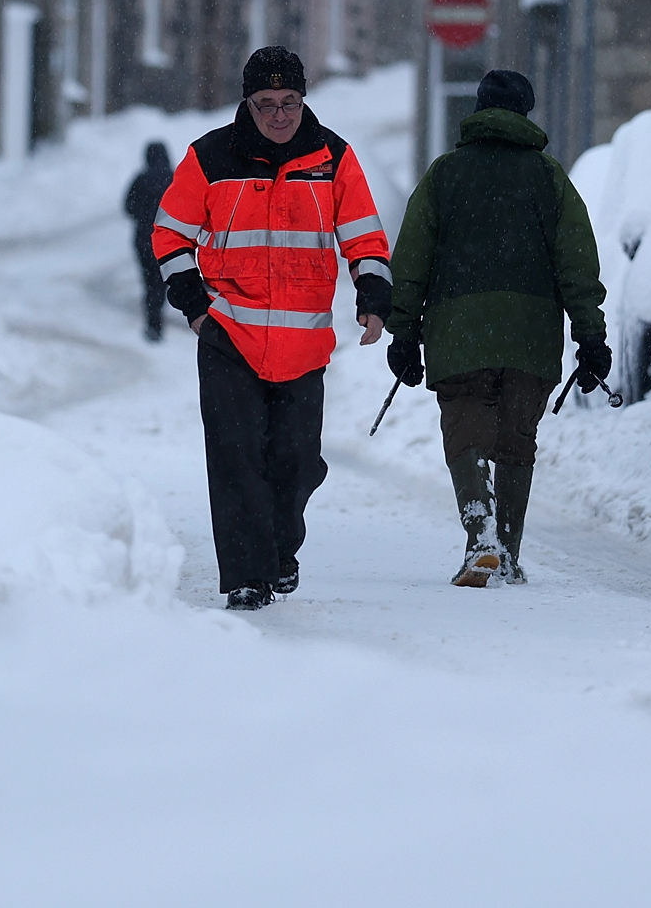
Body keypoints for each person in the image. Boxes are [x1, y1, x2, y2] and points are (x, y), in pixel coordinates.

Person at [149, 47, 391, 610]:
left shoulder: (333, 158)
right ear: (248, 104)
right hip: (229, 336)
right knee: (236, 460)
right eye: (266, 105)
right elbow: (170, 234)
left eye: (289, 103)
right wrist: (194, 304)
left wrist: (374, 296)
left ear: (304, 99)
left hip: (304, 345)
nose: (279, 116)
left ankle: (280, 551)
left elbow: (365, 239)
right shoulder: (210, 158)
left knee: (295, 463)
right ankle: (245, 577)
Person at [384, 68, 608, 588]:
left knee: (466, 428)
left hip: (459, 330)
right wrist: (590, 336)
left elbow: (412, 256)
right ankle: (505, 550)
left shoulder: (444, 174)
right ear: (526, 113)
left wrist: (403, 329)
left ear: (478, 111)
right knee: (515, 441)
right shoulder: (550, 177)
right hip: (530, 334)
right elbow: (577, 262)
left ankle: (480, 535)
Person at [123, 140, 173, 343]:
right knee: (162, 280)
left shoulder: (141, 179)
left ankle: (153, 321)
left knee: (148, 280)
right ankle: (157, 318)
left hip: (143, 239)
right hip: (168, 240)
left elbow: (127, 206)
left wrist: (143, 216)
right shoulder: (175, 178)